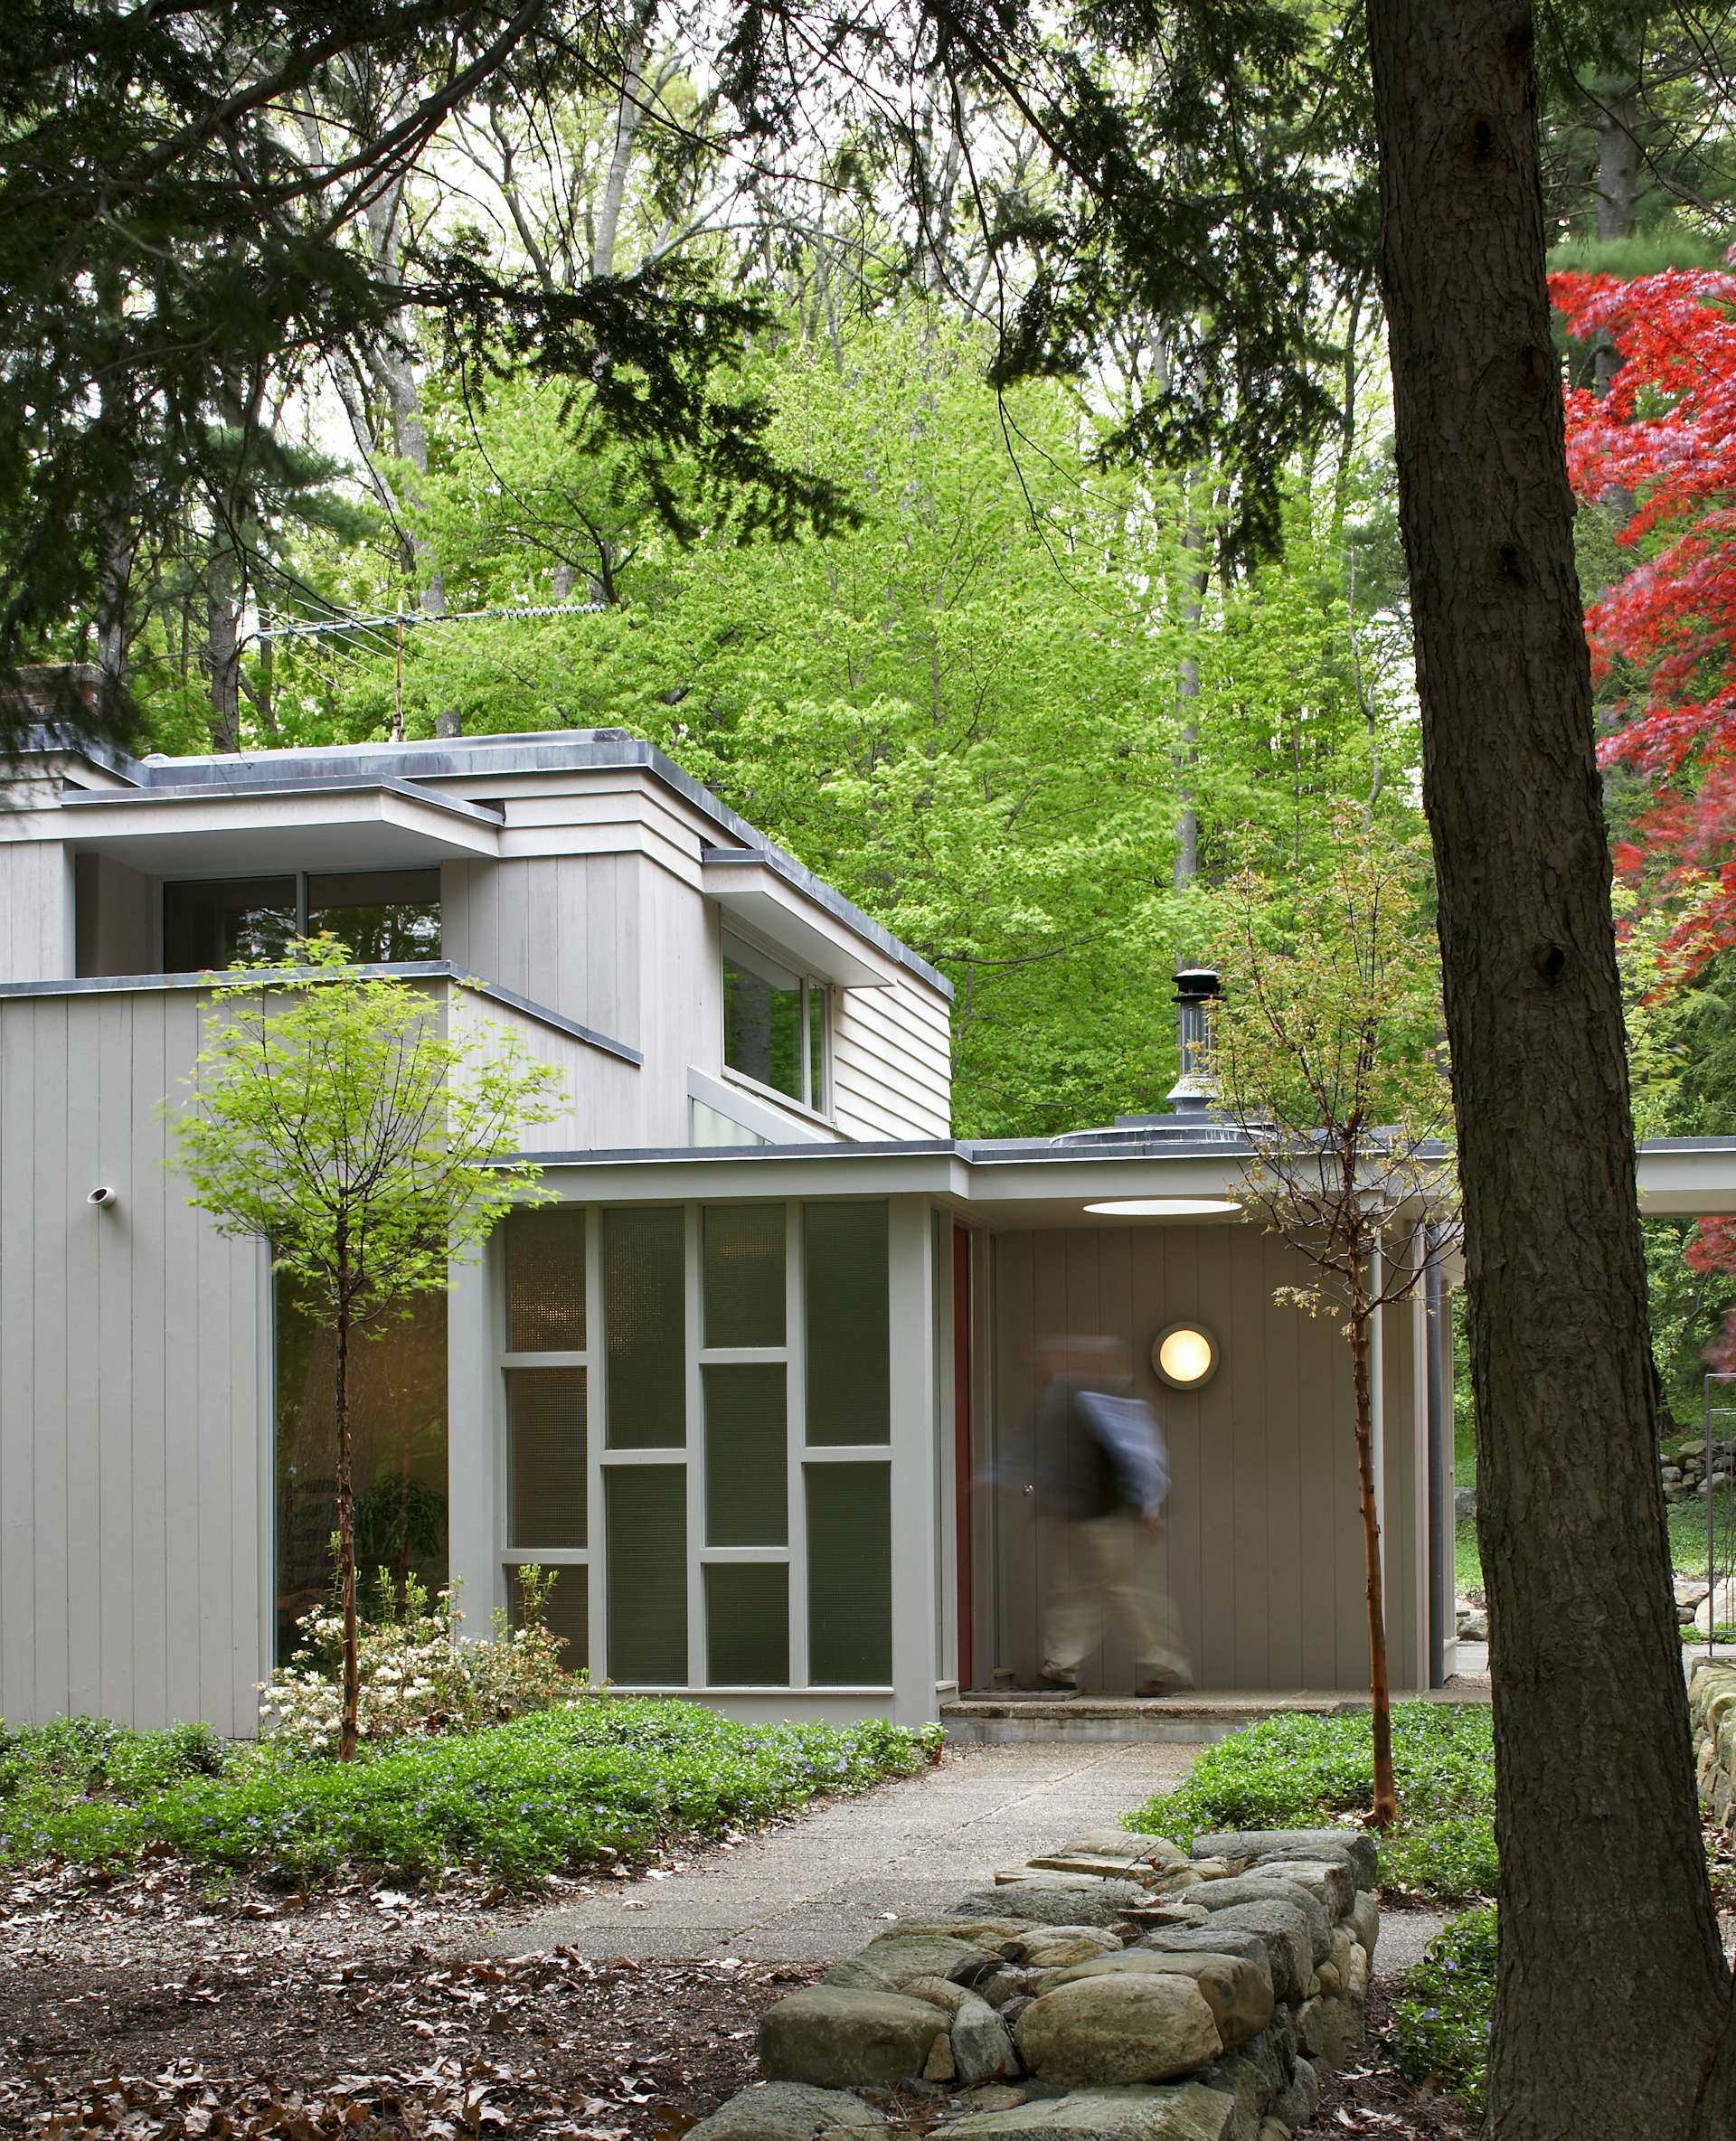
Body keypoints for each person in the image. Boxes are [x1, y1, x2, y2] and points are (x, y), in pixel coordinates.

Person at [1020, 1335, 1194, 1698]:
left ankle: (1163, 1669)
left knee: (1128, 1592)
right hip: (1082, 1516)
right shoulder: (1069, 1402)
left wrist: (1149, 1505)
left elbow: (1141, 1454)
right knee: (1080, 1593)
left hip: (1113, 1516)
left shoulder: (1105, 1403)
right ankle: (1062, 1669)